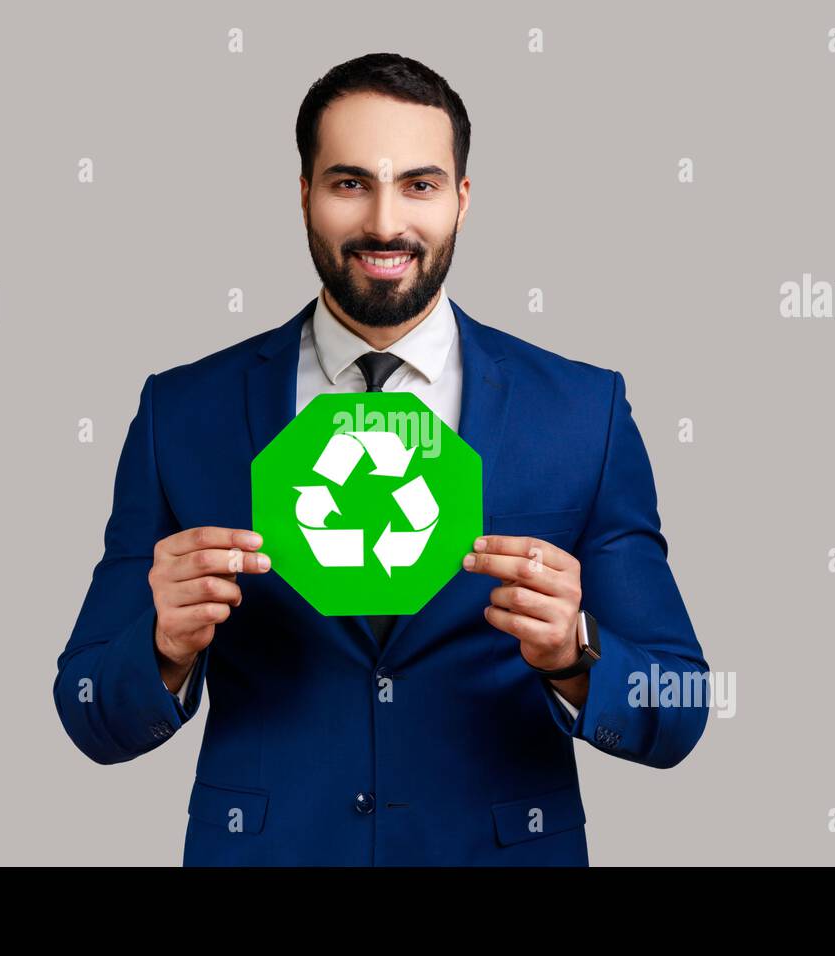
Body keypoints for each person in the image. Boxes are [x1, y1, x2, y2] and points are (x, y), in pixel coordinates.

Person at [53, 52, 709, 866]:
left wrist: (579, 654)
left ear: (464, 200)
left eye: (420, 185)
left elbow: (679, 704)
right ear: (303, 194)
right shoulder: (182, 412)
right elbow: (86, 709)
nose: (386, 224)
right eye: (350, 182)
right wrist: (160, 649)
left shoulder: (583, 413)